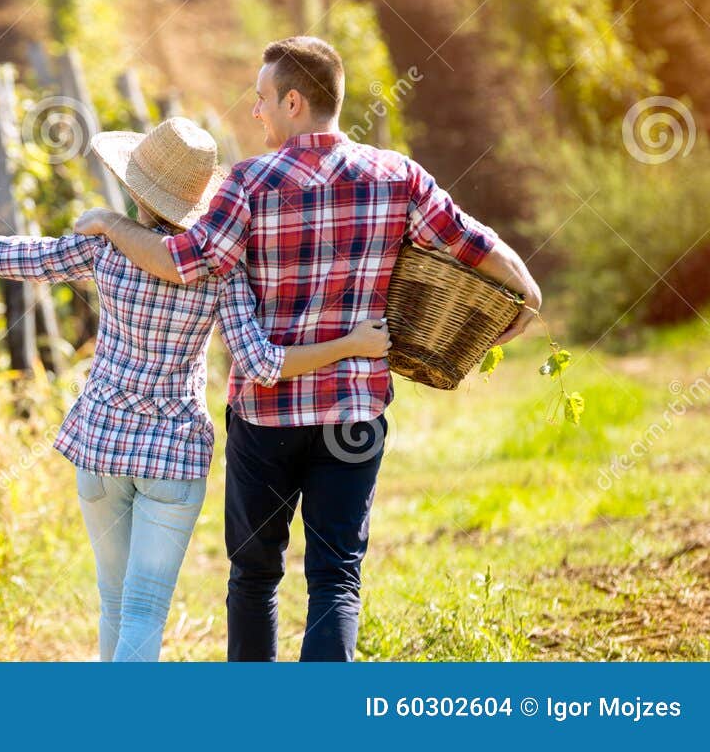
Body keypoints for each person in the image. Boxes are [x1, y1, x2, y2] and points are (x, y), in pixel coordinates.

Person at [75, 36, 542, 661]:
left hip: (266, 414)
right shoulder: (396, 175)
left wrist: (110, 223)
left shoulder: (247, 182)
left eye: (263, 99)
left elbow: (180, 261)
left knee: (254, 579)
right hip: (354, 413)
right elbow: (469, 240)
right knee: (335, 579)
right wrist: (527, 291)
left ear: (294, 101)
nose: (256, 112)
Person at [0, 117, 390, 661]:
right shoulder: (221, 271)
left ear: (135, 187)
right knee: (143, 611)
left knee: (113, 602)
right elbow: (260, 363)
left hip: (100, 443)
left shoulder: (103, 248)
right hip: (172, 453)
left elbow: (9, 255)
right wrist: (350, 344)